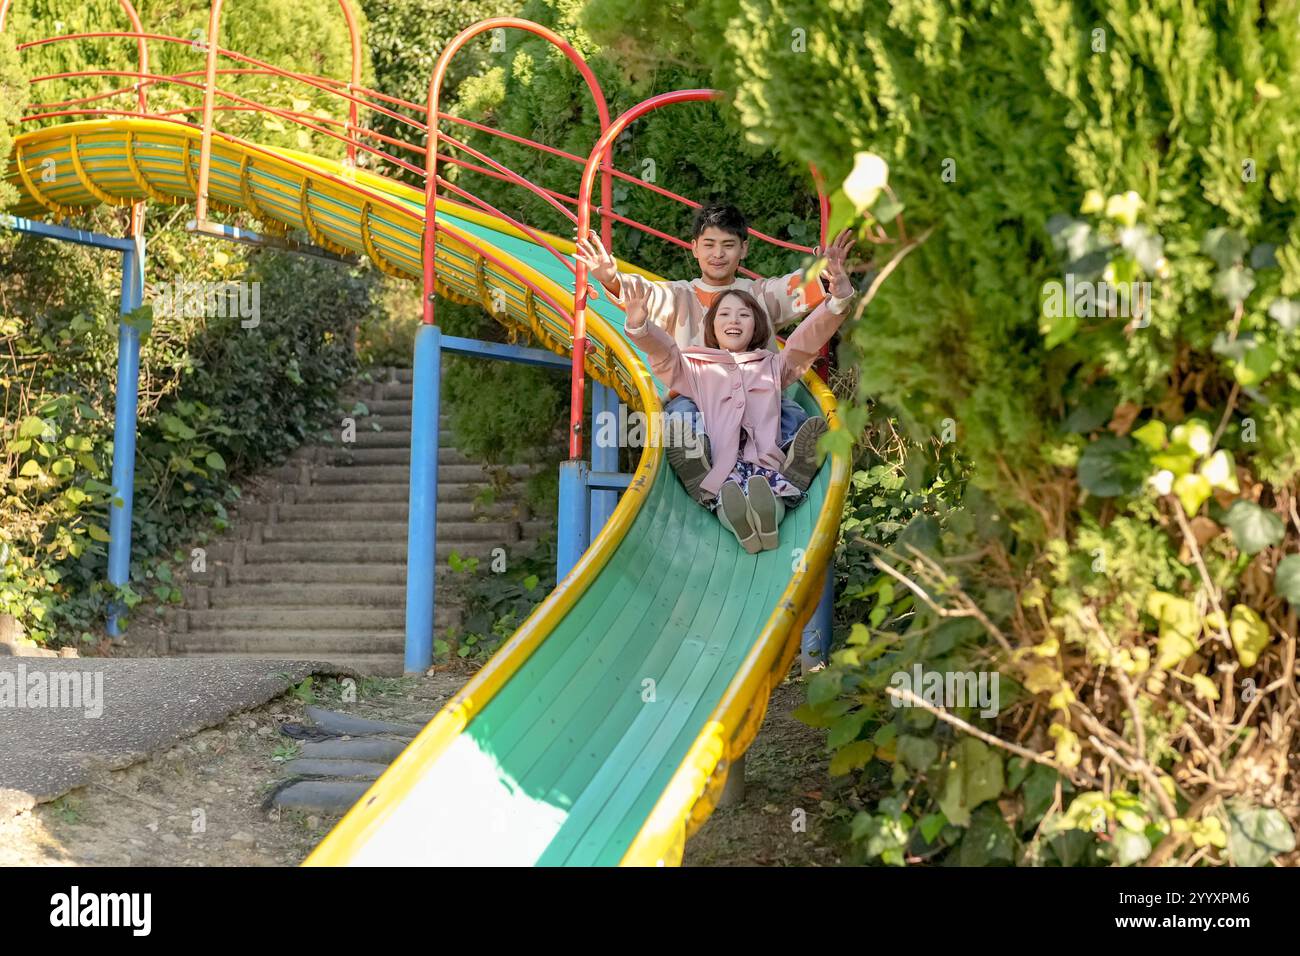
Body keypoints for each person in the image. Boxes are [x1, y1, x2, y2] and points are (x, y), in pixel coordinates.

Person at [575, 205, 854, 504]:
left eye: (728, 245)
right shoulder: (679, 295)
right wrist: (612, 279)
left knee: (793, 416)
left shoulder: (757, 295)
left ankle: (790, 466)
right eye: (709, 245)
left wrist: (827, 274)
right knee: (681, 420)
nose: (718, 254)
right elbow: (648, 296)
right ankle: (701, 465)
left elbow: (791, 293)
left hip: (756, 397)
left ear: (743, 249)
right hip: (696, 397)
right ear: (694, 248)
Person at [621, 250, 856, 552]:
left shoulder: (771, 365)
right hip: (722, 464)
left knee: (768, 489)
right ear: (712, 326)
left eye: (744, 315)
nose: (734, 320)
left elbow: (803, 343)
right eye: (725, 315)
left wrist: (837, 303)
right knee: (727, 494)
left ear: (756, 326)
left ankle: (769, 518)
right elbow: (666, 354)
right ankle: (741, 523)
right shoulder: (697, 367)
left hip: (765, 461)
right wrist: (641, 327)